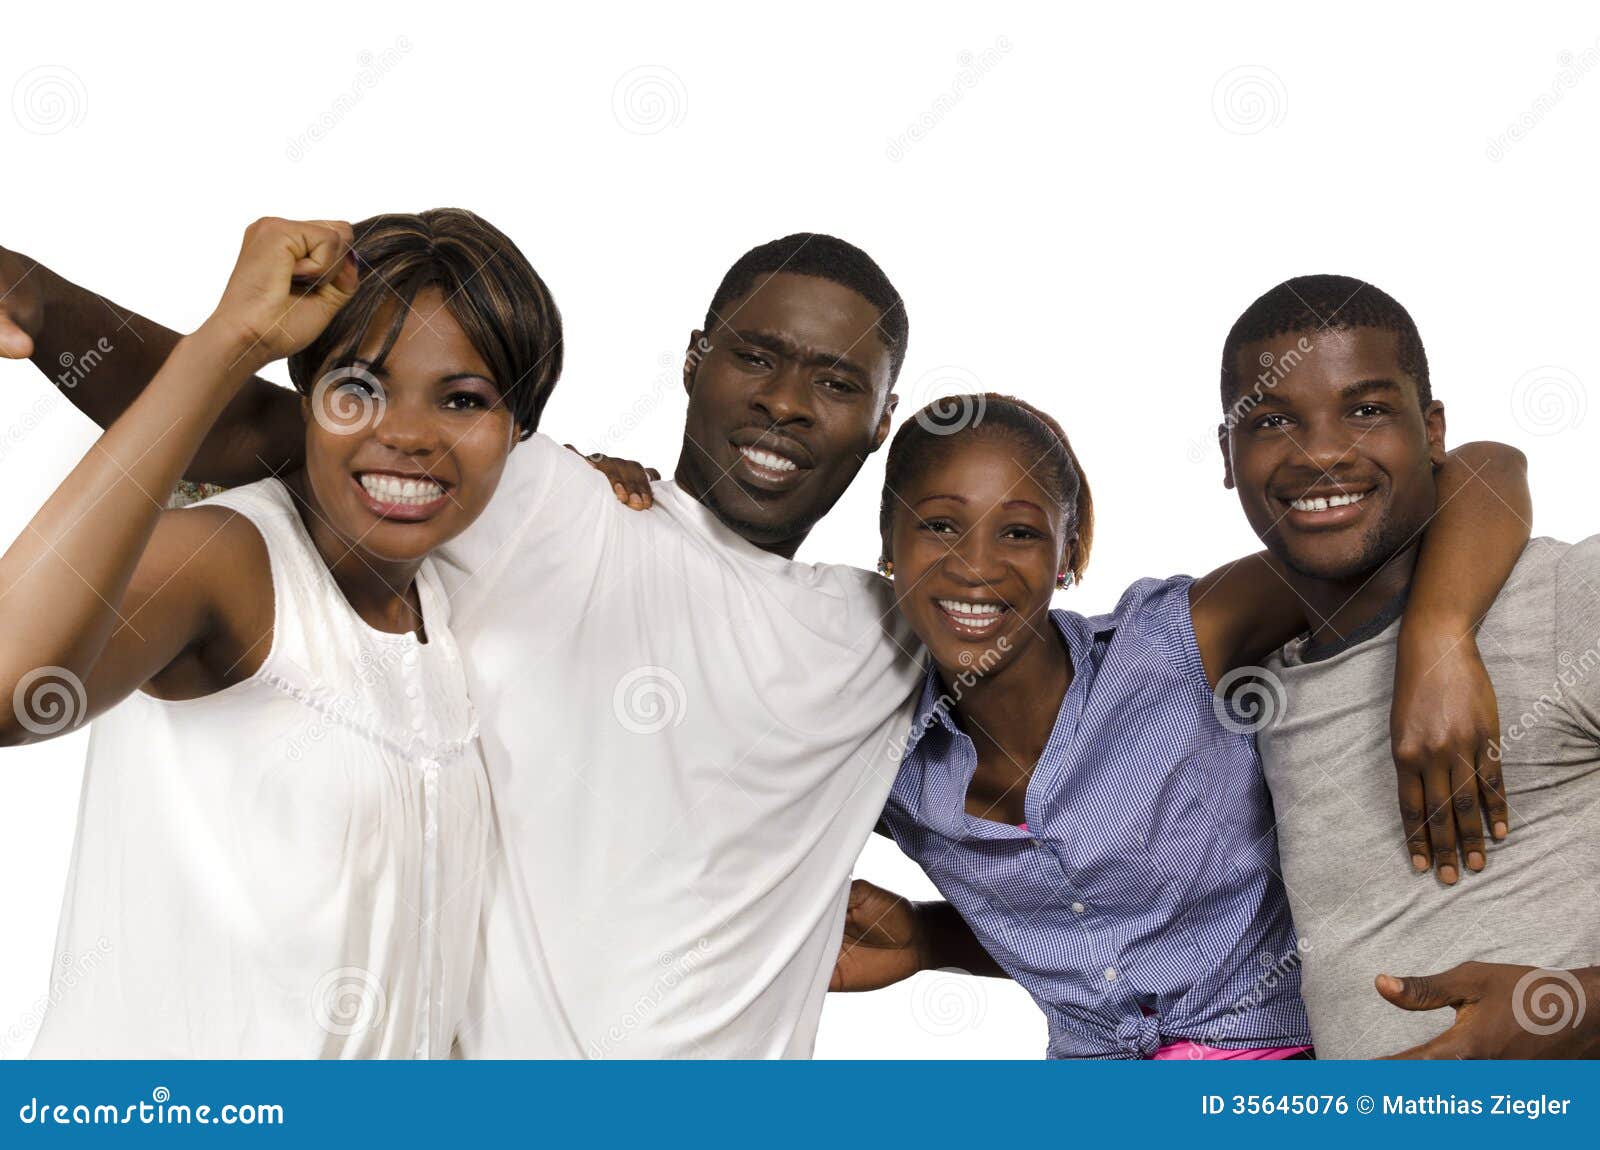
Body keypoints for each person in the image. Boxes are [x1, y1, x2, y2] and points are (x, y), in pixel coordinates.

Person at [0, 232, 922, 1057]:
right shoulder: (538, 506)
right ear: (693, 361)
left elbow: (1042, 779)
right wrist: (39, 301)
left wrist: (937, 942)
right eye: (756, 357)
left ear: (883, 418)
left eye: (839, 382)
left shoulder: (890, 637)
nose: (788, 403)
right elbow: (258, 428)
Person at [1, 210, 562, 1056]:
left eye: (463, 399)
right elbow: (9, 690)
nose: (407, 434)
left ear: (518, 432)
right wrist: (230, 337)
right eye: (357, 388)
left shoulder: (444, 621)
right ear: (305, 397)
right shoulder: (231, 560)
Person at [830, 392, 1529, 1058]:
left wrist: (1440, 641)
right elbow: (1086, 939)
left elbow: (1482, 471)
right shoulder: (887, 764)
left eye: (1019, 532)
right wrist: (927, 940)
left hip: (1287, 1060)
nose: (974, 567)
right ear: (888, 546)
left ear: (1068, 556)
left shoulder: (1178, 645)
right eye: (940, 526)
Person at [1219, 275, 1600, 1059]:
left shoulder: (1564, 601)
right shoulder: (1257, 695)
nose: (1320, 452)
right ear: (1227, 455)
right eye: (1271, 420)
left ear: (1432, 432)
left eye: (1365, 410)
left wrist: (1572, 1009)